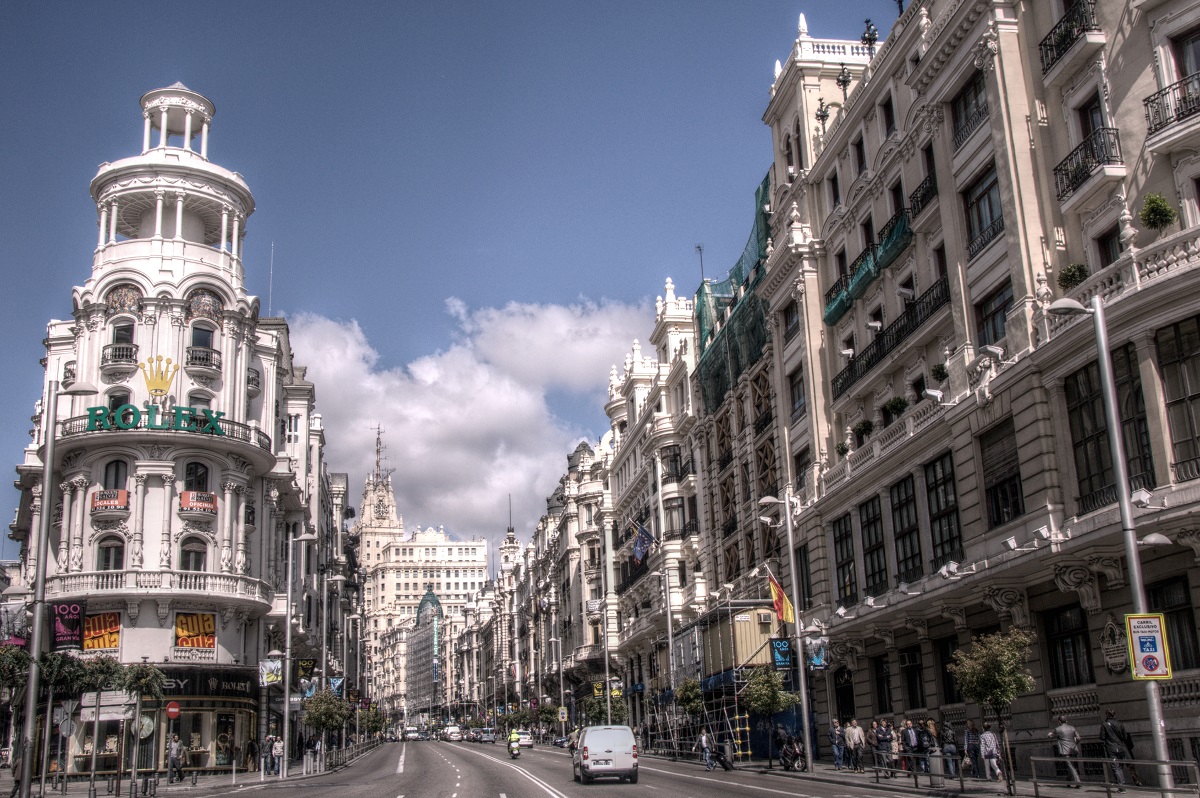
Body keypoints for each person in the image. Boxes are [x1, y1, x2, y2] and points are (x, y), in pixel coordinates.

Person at [1100, 708, 1133, 791]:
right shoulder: (1120, 723)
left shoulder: (1104, 724)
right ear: (1114, 715)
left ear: (1106, 715)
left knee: (1115, 767)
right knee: (1120, 767)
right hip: (1120, 747)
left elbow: (1102, 737)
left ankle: (1121, 787)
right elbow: (1125, 736)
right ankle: (1121, 784)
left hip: (1111, 748)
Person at [1049, 715, 1082, 788]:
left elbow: (1050, 735)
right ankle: (1068, 779)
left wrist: (1050, 735)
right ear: (1066, 721)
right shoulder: (1072, 728)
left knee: (1071, 766)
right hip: (1073, 749)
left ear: (1059, 721)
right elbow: (1079, 738)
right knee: (1071, 765)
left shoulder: (1058, 729)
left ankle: (1078, 781)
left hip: (1065, 750)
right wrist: (1074, 744)